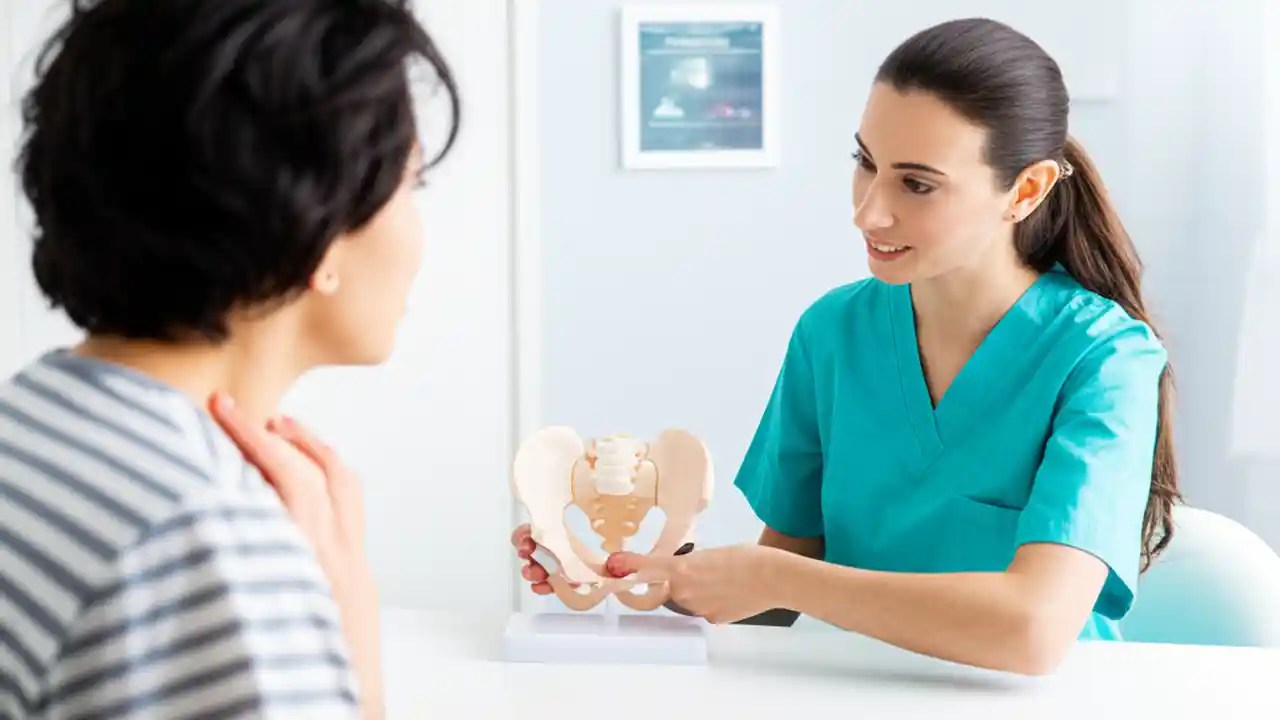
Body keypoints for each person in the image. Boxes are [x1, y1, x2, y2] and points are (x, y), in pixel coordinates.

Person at [513, 17, 1179, 676]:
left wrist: (776, 578)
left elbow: (1032, 632)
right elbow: (779, 593)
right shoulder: (831, 334)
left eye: (916, 184)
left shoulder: (1104, 360)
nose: (868, 212)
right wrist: (645, 576)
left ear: (1026, 191)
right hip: (852, 693)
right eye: (866, 162)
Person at [0, 1, 458, 717]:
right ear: (323, 229)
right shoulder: (207, 542)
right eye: (412, 184)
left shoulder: (30, 424)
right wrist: (350, 642)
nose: (418, 229)